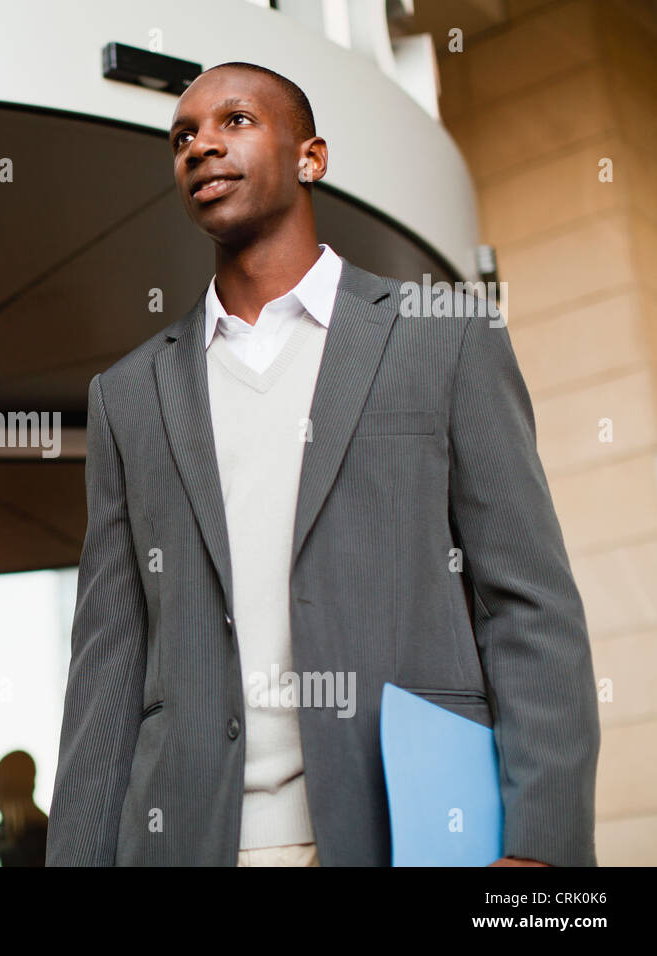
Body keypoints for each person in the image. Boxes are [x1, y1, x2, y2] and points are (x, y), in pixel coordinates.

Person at [45, 62, 600, 867]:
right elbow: (107, 659)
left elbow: (530, 607)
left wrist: (538, 850)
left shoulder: (442, 339)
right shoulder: (129, 394)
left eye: (234, 122)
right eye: (182, 138)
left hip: (407, 834)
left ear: (313, 157)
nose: (201, 146)